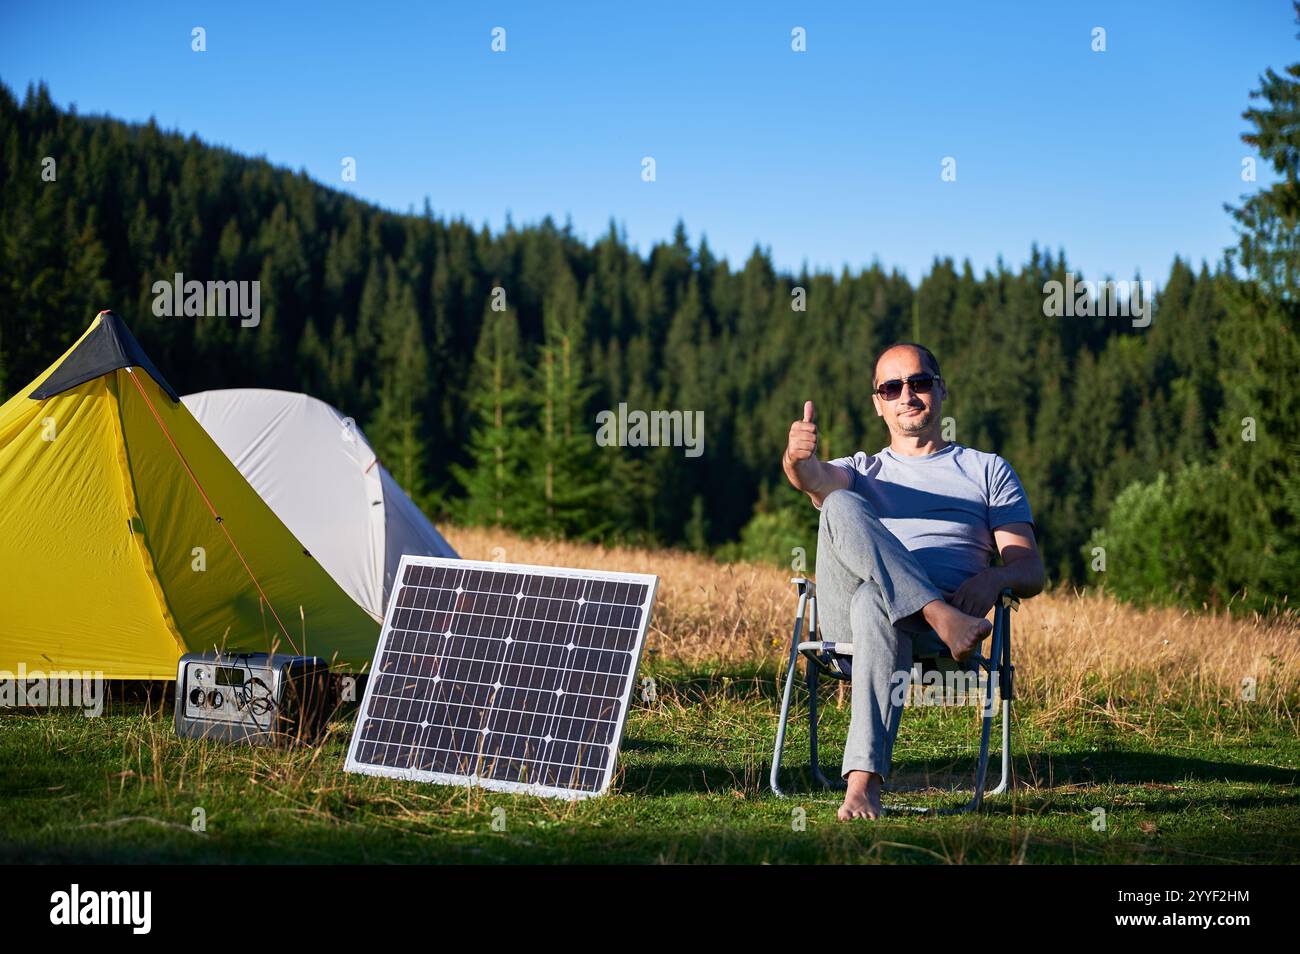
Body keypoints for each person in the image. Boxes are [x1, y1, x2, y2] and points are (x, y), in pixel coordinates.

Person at [782, 342, 1044, 820]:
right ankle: (934, 611)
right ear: (878, 403)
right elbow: (812, 478)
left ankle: (862, 784)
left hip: (932, 632)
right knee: (839, 506)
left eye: (919, 382)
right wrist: (797, 462)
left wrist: (993, 579)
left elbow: (1030, 569)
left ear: (940, 390)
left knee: (873, 602)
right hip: (863, 633)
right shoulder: (861, 470)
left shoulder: (988, 471)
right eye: (892, 387)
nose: (908, 394)